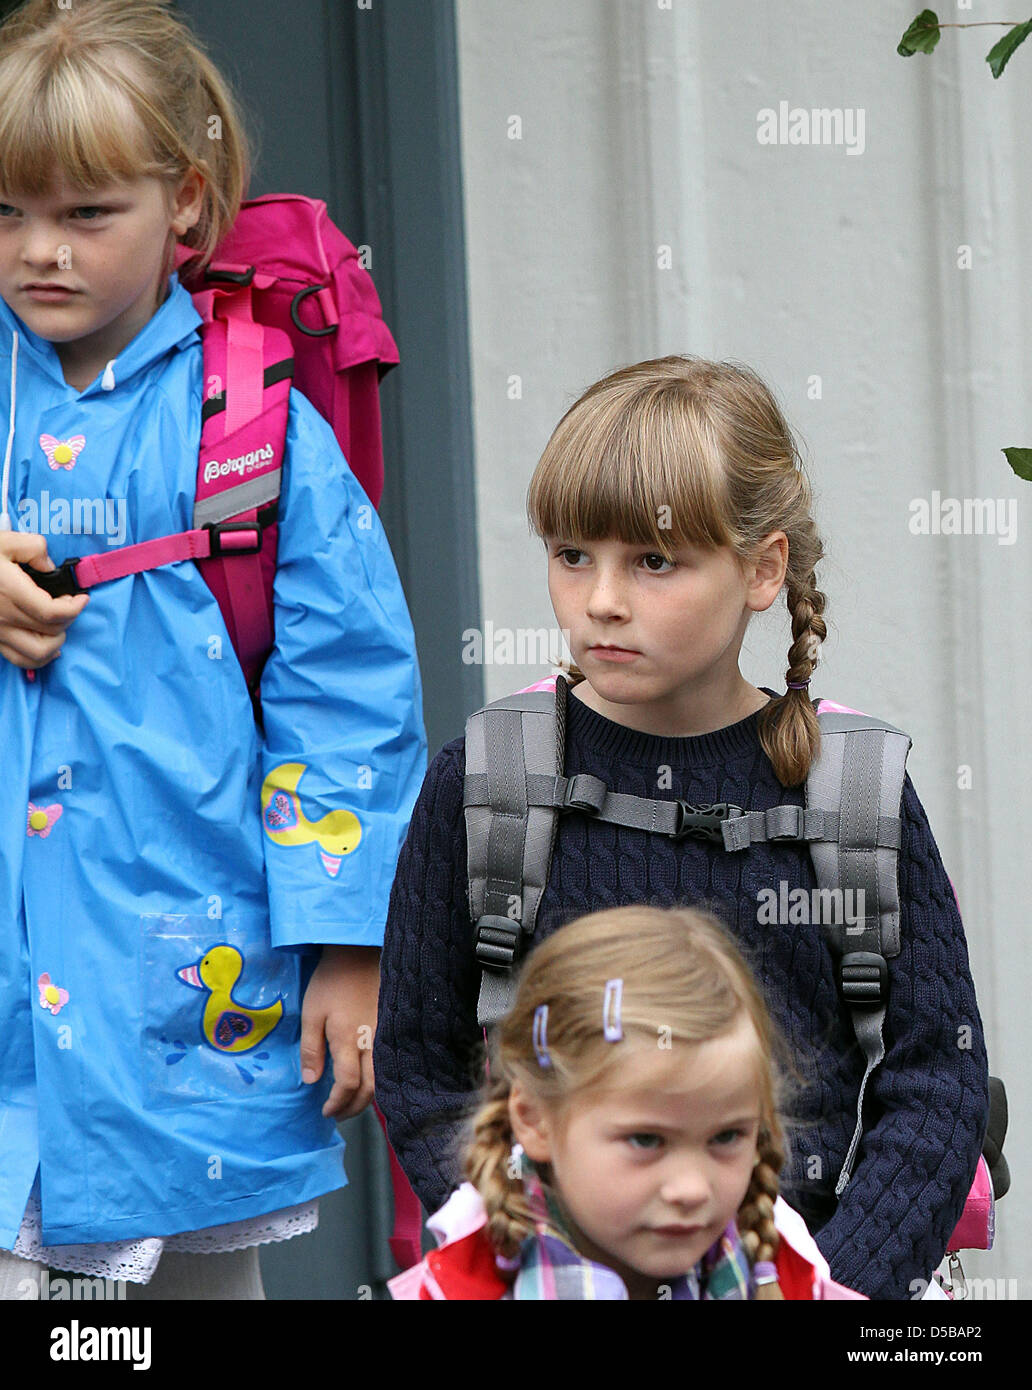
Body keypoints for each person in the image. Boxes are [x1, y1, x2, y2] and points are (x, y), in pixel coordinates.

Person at [375, 354, 989, 1301]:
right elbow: (421, 1066)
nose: (602, 601)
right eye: (573, 554)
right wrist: (546, 1270)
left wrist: (823, 1285)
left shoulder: (853, 791)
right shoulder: (490, 782)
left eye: (653, 560)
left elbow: (935, 1081)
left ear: (762, 569)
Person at [0, 0, 425, 1299]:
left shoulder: (253, 428)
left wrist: (349, 946)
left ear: (184, 203)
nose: (38, 252)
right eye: (6, 212)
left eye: (85, 213)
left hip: (176, 983)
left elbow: (344, 703)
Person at [389, 905, 866, 1300]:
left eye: (727, 1136)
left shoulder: (791, 1280)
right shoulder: (452, 1290)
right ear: (535, 1120)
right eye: (645, 1139)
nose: (690, 1189)